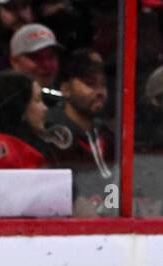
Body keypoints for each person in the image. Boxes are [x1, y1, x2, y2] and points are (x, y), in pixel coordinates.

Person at [44, 47, 113, 213]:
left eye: (102, 84)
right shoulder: (50, 134)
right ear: (66, 89)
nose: (99, 92)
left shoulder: (109, 136)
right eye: (90, 83)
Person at [8, 21, 60, 88]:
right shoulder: (0, 96)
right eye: (35, 57)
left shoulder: (66, 95)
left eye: (51, 56)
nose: (47, 64)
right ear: (14, 62)